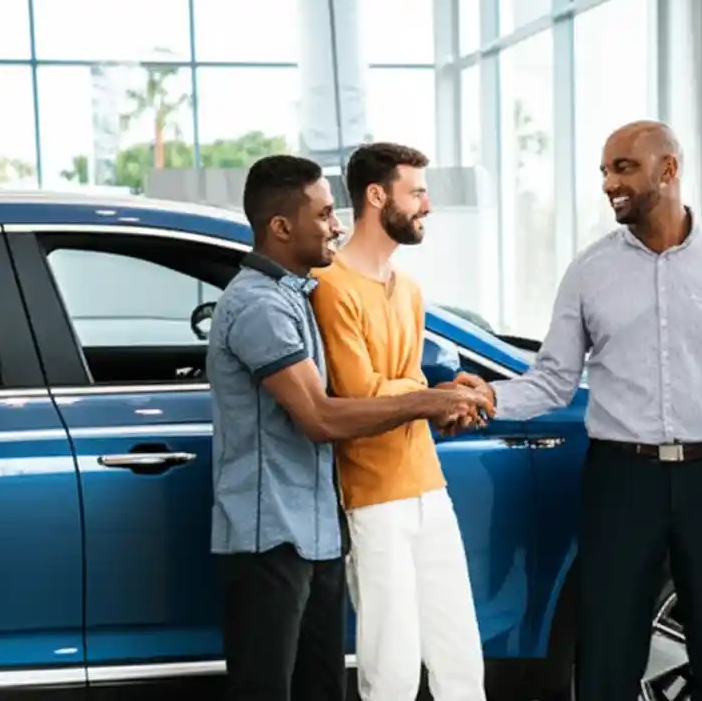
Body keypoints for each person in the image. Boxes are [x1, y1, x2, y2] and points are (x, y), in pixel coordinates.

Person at [451, 121, 702, 699]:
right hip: (622, 480)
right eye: (605, 171)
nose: (610, 183)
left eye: (624, 168)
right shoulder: (589, 272)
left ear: (668, 170)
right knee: (608, 651)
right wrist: (489, 396)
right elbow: (555, 380)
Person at [207, 154, 493, 701]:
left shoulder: (300, 295)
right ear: (282, 227)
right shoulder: (259, 306)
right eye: (322, 214)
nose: (335, 224)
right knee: (270, 688)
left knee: (323, 688)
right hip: (270, 534)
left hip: (315, 531)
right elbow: (320, 415)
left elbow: (377, 386)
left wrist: (432, 396)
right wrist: (427, 402)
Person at [308, 143, 487, 701]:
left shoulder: (408, 289)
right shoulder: (330, 285)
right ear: (376, 196)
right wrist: (428, 396)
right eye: (416, 192)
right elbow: (361, 394)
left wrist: (443, 405)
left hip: (428, 485)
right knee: (392, 668)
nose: (427, 205)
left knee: (460, 656)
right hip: (372, 495)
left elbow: (397, 391)